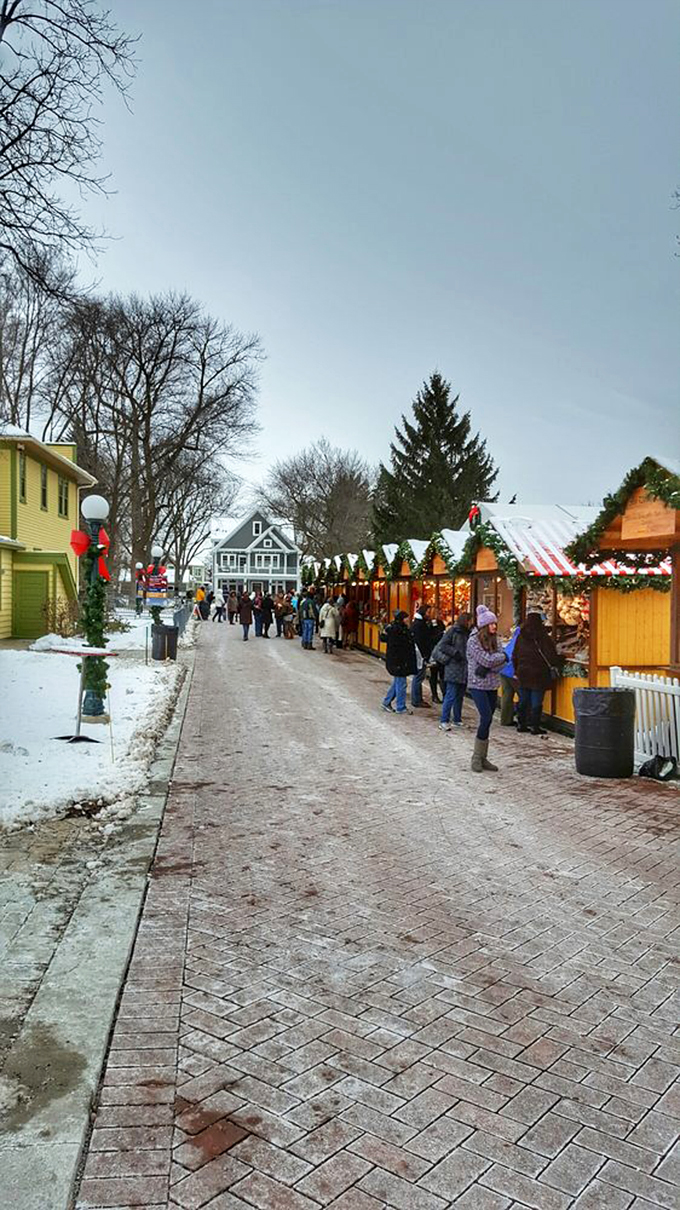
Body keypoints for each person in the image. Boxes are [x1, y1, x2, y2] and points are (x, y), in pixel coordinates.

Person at [466, 604, 507, 772]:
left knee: (488, 718)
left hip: (492, 684)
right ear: (483, 625)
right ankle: (476, 757)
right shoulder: (473, 640)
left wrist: (496, 661)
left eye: (495, 624)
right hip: (477, 684)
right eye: (491, 624)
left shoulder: (496, 640)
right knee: (486, 717)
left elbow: (501, 662)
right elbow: (487, 660)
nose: (494, 626)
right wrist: (498, 659)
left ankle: (483, 757)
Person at [514, 610, 562, 735]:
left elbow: (515, 654)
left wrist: (517, 669)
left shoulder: (521, 636)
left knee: (523, 699)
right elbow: (550, 655)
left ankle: (521, 723)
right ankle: (535, 726)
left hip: (523, 672)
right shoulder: (543, 637)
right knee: (536, 700)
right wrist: (559, 660)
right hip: (538, 673)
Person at [435, 612, 472, 730]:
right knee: (450, 694)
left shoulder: (469, 633)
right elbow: (442, 645)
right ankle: (444, 720)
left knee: (460, 696)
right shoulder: (453, 631)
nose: (472, 622)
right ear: (466, 621)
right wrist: (455, 653)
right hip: (454, 667)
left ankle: (457, 719)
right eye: (470, 620)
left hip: (464, 668)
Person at [380, 610, 416, 714]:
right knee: (401, 683)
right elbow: (399, 648)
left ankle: (386, 702)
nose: (408, 620)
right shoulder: (397, 630)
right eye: (406, 618)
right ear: (402, 619)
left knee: (397, 682)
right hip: (399, 661)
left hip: (397, 661)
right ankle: (400, 707)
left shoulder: (396, 629)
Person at [410, 603, 435, 707]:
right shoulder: (419, 625)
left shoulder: (421, 623)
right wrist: (424, 656)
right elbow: (422, 641)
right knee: (418, 677)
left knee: (419, 677)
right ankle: (416, 700)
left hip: (420, 654)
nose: (430, 614)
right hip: (420, 654)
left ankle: (417, 698)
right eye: (428, 612)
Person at [499, 624, 520, 725]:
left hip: (504, 669)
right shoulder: (522, 642)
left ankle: (505, 720)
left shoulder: (513, 641)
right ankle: (523, 719)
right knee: (523, 694)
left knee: (507, 695)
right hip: (513, 671)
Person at [428, 613, 446, 703]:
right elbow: (431, 639)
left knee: (440, 675)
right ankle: (435, 695)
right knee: (435, 675)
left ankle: (442, 694)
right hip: (434, 653)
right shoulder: (430, 624)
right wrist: (441, 634)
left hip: (439, 652)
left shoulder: (440, 623)